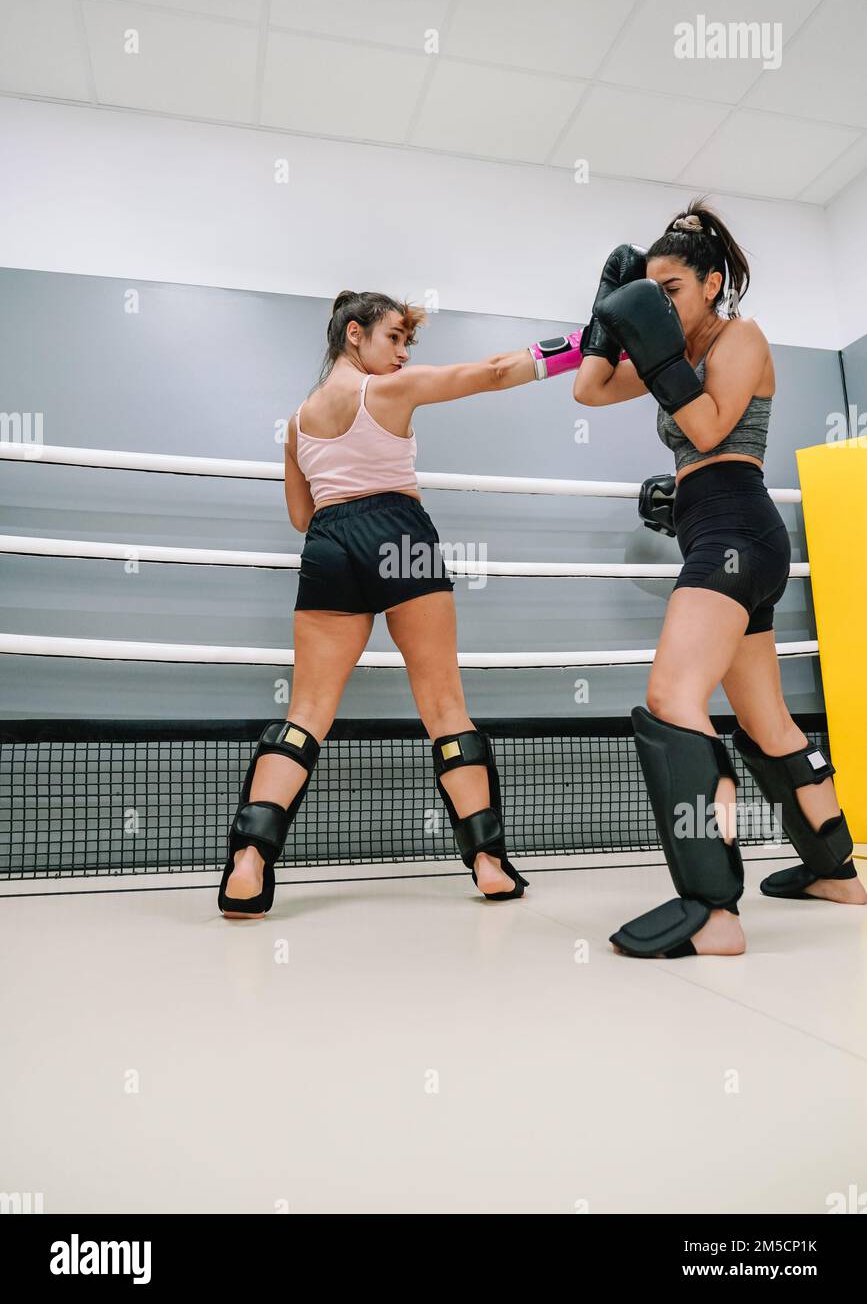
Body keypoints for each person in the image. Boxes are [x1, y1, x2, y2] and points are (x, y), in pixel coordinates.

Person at [217, 287, 602, 917]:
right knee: (445, 704)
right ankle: (488, 861)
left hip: (328, 543)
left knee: (308, 709)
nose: (401, 352)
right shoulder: (386, 393)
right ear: (354, 335)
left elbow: (298, 515)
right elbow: (494, 371)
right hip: (400, 531)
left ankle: (249, 861)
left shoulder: (296, 422)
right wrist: (586, 343)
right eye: (393, 337)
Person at [574, 199, 866, 958]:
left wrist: (658, 352)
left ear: (709, 283)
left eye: (667, 288)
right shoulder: (665, 349)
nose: (657, 302)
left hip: (736, 531)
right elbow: (588, 390)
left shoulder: (740, 337)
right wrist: (606, 321)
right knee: (767, 724)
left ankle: (711, 908)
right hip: (717, 532)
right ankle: (835, 871)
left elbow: (707, 429)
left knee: (671, 701)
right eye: (647, 290)